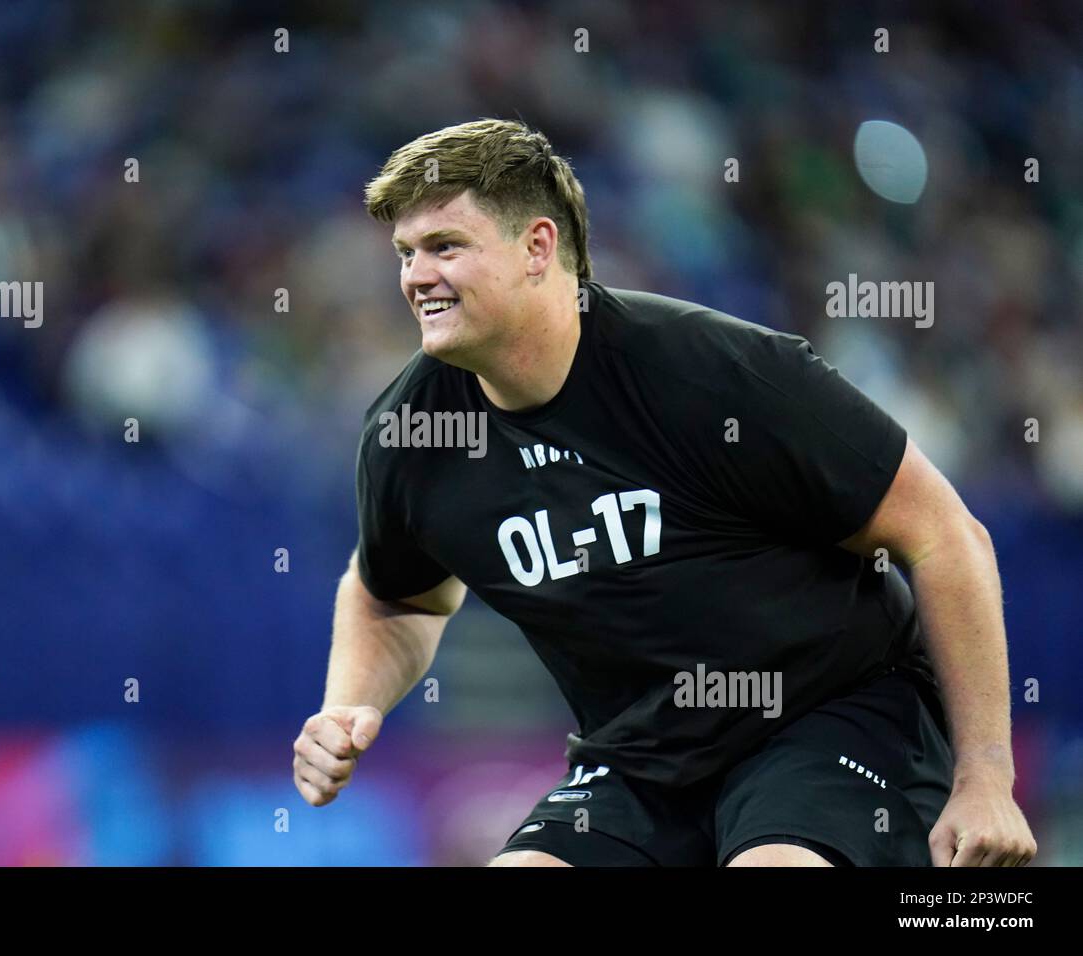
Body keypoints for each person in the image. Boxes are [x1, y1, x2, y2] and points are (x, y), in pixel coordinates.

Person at [292, 118, 1037, 867]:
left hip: (830, 719)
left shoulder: (715, 374)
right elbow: (395, 595)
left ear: (538, 248)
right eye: (406, 253)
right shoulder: (412, 434)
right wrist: (348, 704)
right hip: (639, 760)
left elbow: (944, 535)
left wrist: (985, 778)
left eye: (445, 246)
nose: (416, 276)